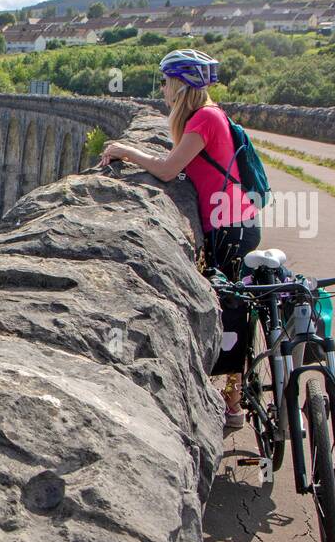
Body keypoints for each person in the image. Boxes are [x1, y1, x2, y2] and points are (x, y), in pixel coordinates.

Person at [99, 49, 261, 428]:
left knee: (231, 309)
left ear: (179, 84)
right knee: (234, 303)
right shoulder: (208, 115)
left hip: (229, 230)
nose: (162, 88)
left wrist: (125, 150)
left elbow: (169, 169)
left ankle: (232, 405)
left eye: (165, 81)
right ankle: (233, 398)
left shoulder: (204, 118)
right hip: (235, 224)